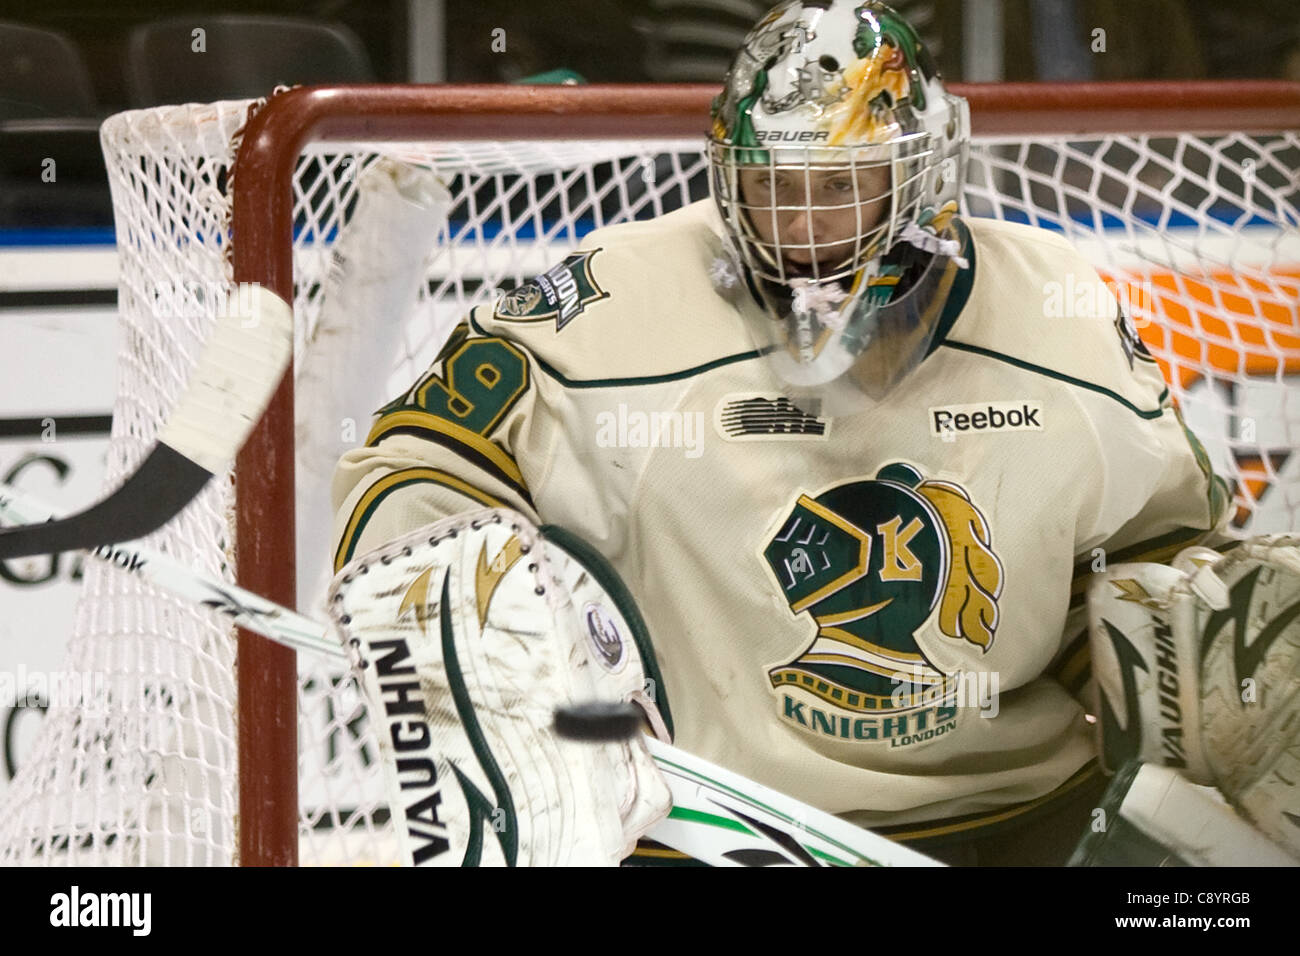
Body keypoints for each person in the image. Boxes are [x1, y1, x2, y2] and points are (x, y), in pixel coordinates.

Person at [330, 0, 1231, 865]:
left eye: (839, 186)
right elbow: (414, 460)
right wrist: (467, 624)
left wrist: (1211, 662)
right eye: (771, 190)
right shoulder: (620, 297)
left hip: (1027, 819)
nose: (802, 234)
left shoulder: (1053, 310)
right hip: (717, 833)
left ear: (927, 176)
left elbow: (1156, 554)